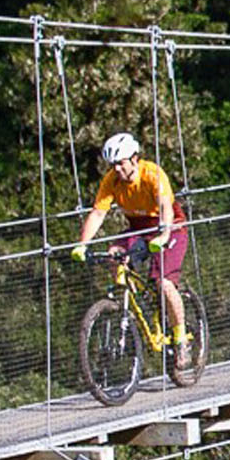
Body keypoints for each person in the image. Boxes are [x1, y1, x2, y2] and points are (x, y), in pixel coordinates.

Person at [71, 130, 192, 362]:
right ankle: (131, 306)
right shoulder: (111, 181)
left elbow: (166, 207)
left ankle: (180, 339)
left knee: (165, 283)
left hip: (170, 225)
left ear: (135, 159)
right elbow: (98, 213)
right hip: (139, 228)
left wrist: (165, 234)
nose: (116, 169)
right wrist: (82, 244)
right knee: (113, 255)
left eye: (121, 163)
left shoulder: (152, 174)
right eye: (113, 165)